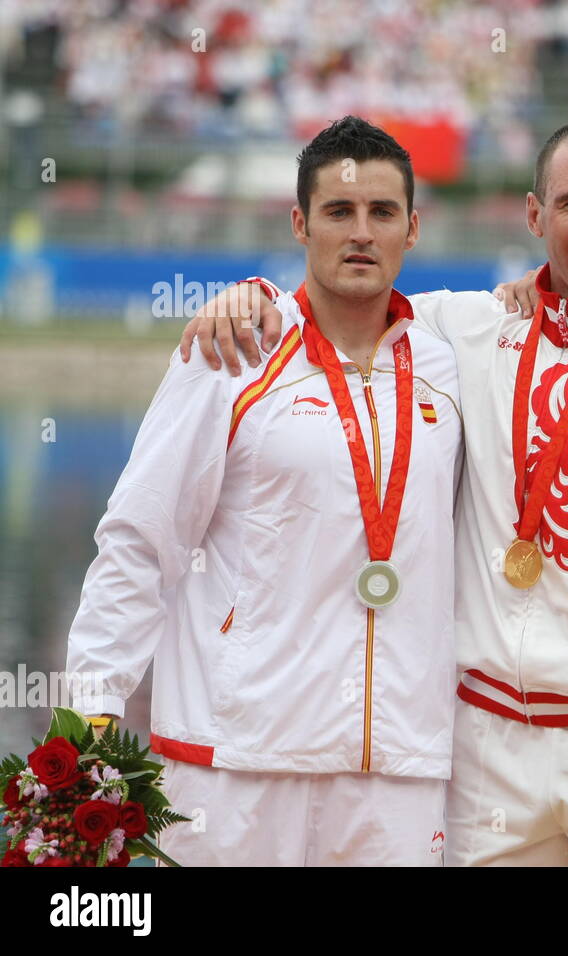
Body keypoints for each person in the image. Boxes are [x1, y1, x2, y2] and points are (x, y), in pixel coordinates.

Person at [177, 120, 568, 866]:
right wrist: (255, 296)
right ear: (534, 214)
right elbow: (347, 291)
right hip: (487, 749)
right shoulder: (462, 329)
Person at [66, 116, 462, 866]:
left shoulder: (450, 366)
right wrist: (93, 707)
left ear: (413, 228)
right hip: (235, 757)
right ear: (299, 224)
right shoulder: (233, 353)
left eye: (382, 212)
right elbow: (141, 539)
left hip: (395, 769)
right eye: (339, 211)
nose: (361, 233)